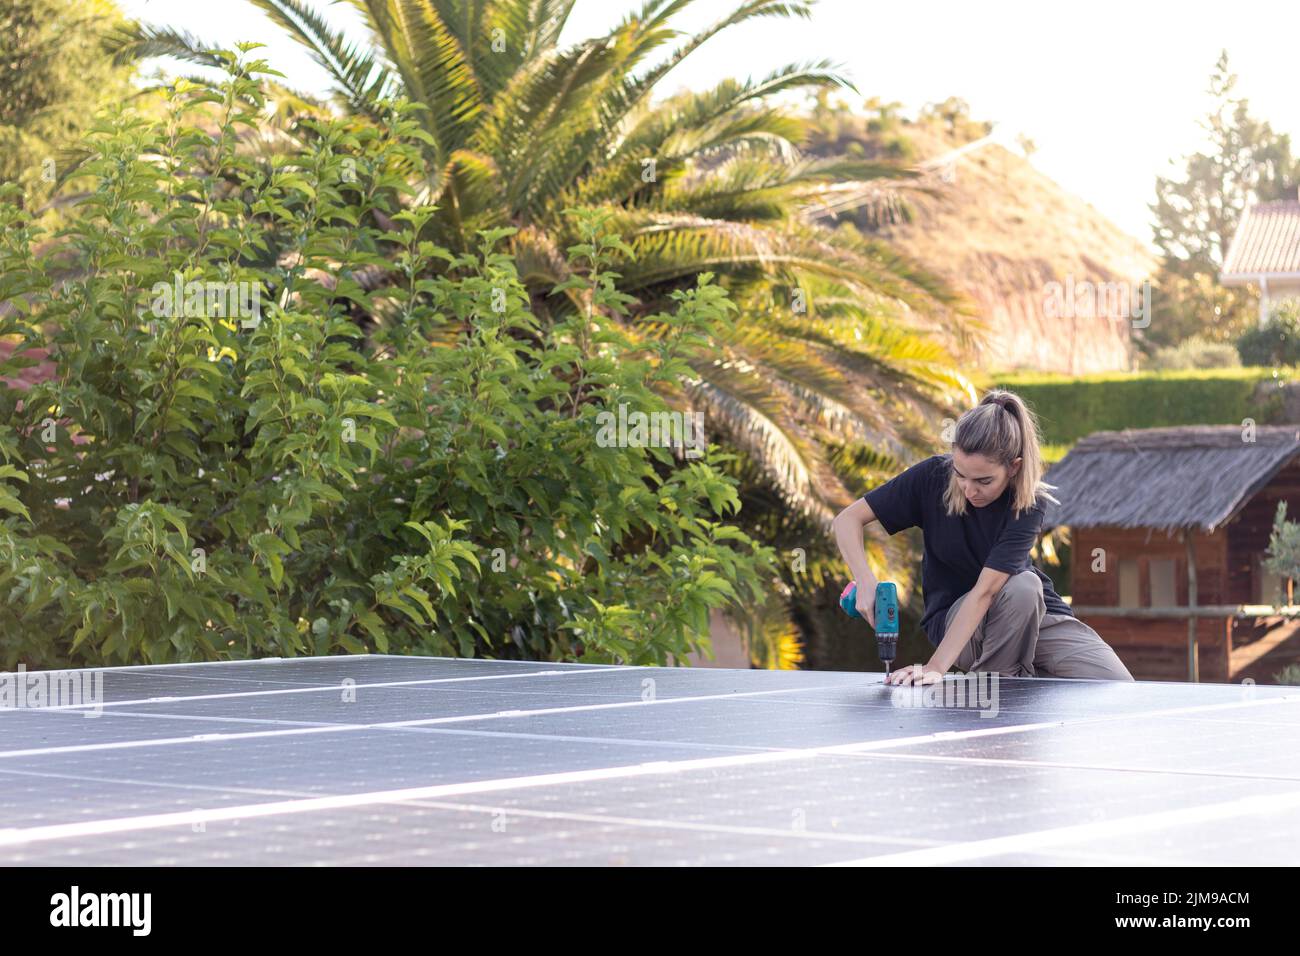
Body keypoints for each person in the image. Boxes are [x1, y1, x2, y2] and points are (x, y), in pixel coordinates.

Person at [832, 389, 1133, 686]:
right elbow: (847, 521)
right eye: (961, 474)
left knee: (1118, 686)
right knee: (1024, 586)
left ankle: (1013, 677)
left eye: (983, 481)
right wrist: (866, 579)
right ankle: (995, 687)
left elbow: (987, 590)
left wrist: (936, 667)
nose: (969, 489)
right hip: (957, 622)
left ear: (1013, 467)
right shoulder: (931, 478)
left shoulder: (1028, 504)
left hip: (1027, 614)